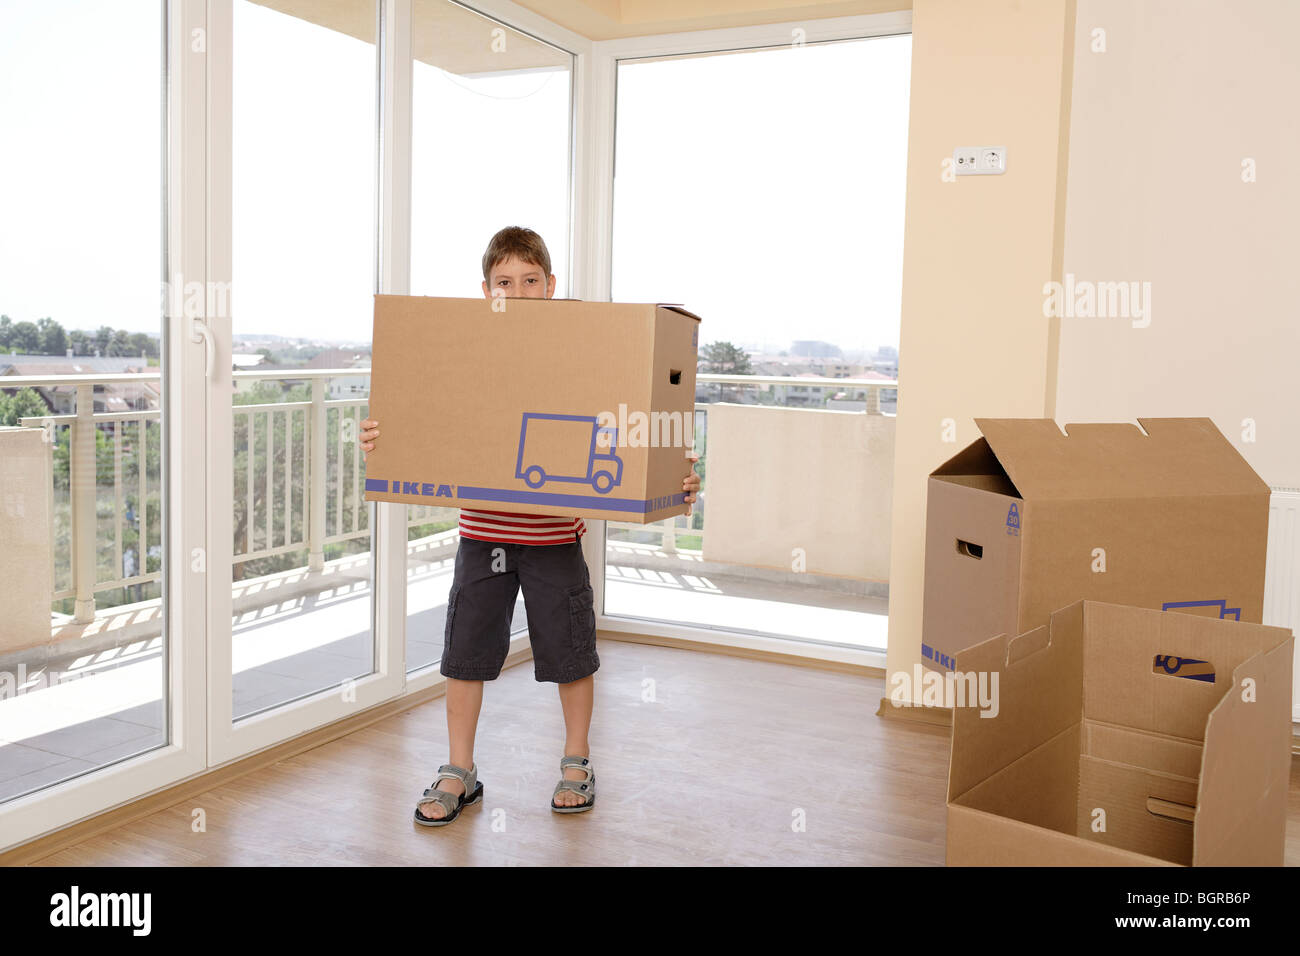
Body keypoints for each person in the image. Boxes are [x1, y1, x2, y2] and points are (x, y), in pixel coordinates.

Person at [358, 226, 701, 824]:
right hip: (483, 535)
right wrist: (383, 441)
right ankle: (458, 770)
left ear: (551, 287)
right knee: (465, 654)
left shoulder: (580, 357)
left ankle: (577, 759)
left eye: (530, 280)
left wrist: (674, 475)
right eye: (504, 282)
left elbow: (632, 426)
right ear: (486, 290)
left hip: (552, 541)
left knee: (571, 652)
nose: (517, 291)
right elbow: (421, 414)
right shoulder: (466, 356)